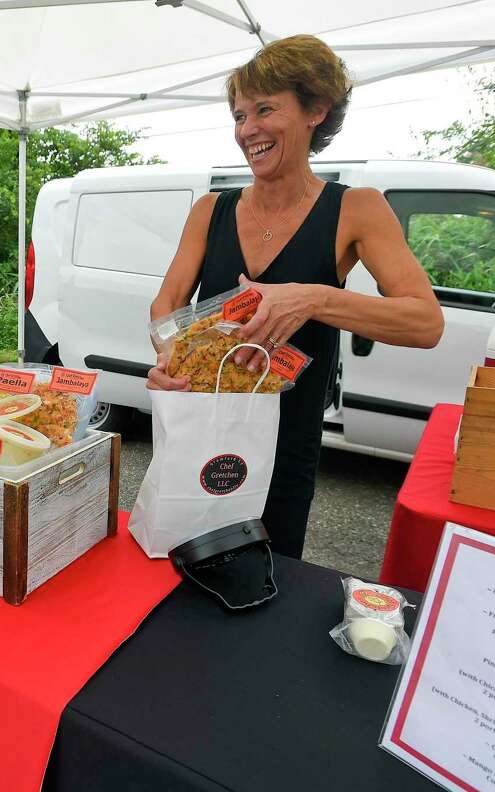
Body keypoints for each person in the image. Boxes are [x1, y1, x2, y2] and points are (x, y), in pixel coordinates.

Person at [148, 35, 444, 560]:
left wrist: (312, 299)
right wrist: (170, 355)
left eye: (265, 109)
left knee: (268, 574)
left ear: (316, 111)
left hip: (286, 445)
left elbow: (424, 323)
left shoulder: (356, 209)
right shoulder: (210, 210)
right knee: (181, 567)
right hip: (202, 428)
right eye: (240, 115)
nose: (247, 130)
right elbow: (166, 307)